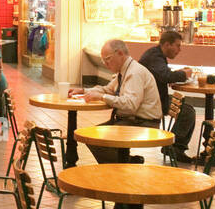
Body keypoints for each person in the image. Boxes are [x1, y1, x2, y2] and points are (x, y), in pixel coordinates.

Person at [70, 38, 162, 164]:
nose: (106, 64)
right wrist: (84, 91)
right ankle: (125, 164)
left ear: (120, 53)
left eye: (108, 59)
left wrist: (102, 97)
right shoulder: (124, 71)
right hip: (128, 120)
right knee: (89, 135)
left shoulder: (134, 73)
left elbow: (130, 105)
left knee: (95, 140)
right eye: (104, 60)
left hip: (142, 123)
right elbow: (108, 89)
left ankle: (121, 168)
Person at [140, 30, 196, 163]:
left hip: (154, 97)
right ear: (167, 44)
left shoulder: (155, 54)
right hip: (151, 101)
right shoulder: (155, 56)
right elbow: (165, 75)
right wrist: (184, 74)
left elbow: (162, 74)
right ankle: (174, 147)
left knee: (188, 109)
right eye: (177, 45)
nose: (179, 50)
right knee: (187, 112)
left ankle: (176, 147)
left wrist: (174, 74)